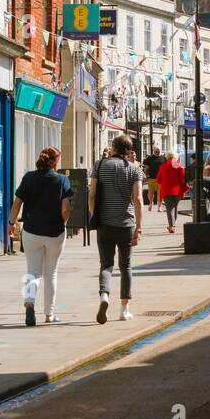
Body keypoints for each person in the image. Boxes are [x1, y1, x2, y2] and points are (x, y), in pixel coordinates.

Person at [9, 146, 71, 326]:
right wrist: (63, 223)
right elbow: (66, 208)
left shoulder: (28, 177)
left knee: (32, 271)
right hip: (55, 232)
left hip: (31, 231)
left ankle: (29, 302)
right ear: (55, 161)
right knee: (51, 273)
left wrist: (11, 224)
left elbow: (16, 204)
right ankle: (49, 314)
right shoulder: (62, 180)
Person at [89, 134, 144, 323]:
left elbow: (92, 195)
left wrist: (93, 215)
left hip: (104, 223)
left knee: (106, 264)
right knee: (125, 266)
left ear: (113, 147)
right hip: (126, 224)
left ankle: (104, 295)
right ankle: (124, 310)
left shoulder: (100, 165)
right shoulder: (135, 170)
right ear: (129, 150)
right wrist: (139, 227)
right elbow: (137, 199)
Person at [157, 152, 188, 233]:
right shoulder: (179, 165)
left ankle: (171, 226)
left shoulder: (163, 166)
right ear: (176, 157)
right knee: (175, 208)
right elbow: (183, 179)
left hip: (166, 190)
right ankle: (173, 225)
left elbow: (158, 180)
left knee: (169, 209)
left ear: (167, 158)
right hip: (177, 190)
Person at [142, 146, 162, 211]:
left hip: (161, 178)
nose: (157, 152)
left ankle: (159, 207)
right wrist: (146, 173)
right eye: (156, 151)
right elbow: (144, 164)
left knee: (160, 193)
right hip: (152, 178)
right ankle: (151, 203)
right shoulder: (150, 158)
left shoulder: (163, 158)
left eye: (158, 151)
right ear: (153, 151)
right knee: (151, 193)